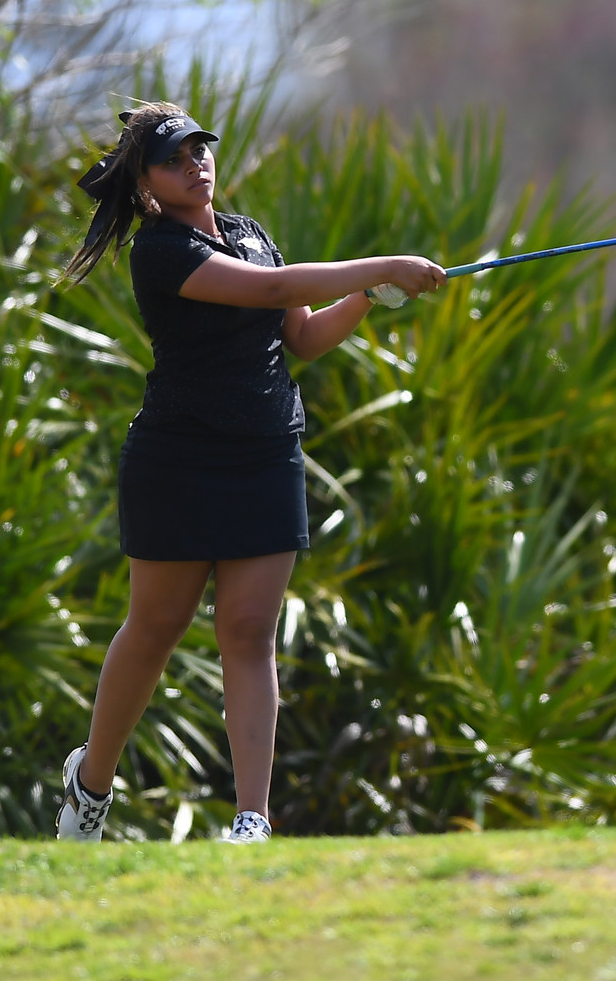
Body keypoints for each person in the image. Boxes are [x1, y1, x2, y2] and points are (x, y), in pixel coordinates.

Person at [55, 102, 445, 844]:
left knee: (249, 630)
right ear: (144, 183)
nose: (196, 165)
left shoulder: (251, 236)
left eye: (200, 151)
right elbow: (271, 292)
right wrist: (384, 263)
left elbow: (299, 335)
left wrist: (365, 297)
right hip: (178, 456)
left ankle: (252, 817)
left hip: (266, 452)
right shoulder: (160, 251)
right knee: (157, 626)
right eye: (173, 159)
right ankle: (91, 784)